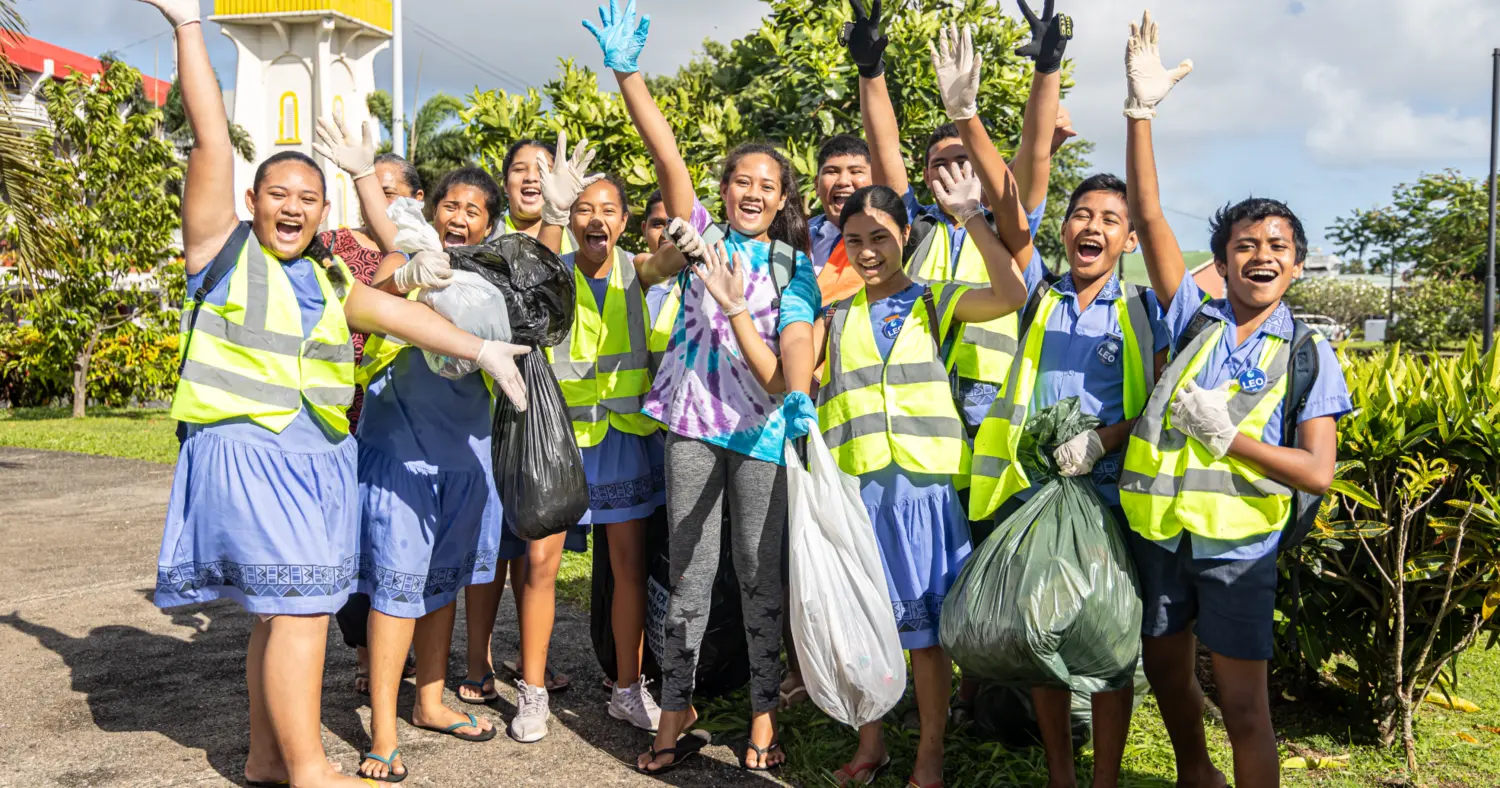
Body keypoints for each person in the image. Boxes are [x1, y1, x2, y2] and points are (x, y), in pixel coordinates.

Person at [138, 3, 531, 787]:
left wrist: (482, 347)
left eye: (306, 199)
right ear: (252, 201)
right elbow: (213, 139)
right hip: (248, 448)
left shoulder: (327, 273)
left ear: (325, 214)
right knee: (302, 613)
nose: (290, 207)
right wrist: (189, 27)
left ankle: (264, 758)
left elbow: (396, 313)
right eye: (277, 193)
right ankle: (312, 768)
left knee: (280, 614)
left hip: (314, 455)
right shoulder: (219, 247)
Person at [710, 172, 1026, 788]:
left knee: (927, 636)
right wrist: (737, 310)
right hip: (857, 499)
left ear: (905, 235)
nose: (868, 250)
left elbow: (1011, 293)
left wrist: (972, 218)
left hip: (923, 496)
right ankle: (873, 740)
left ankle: (929, 755)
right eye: (854, 239)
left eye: (880, 235)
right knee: (864, 622)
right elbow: (781, 380)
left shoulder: (938, 299)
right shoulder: (838, 312)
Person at [584, 0, 821, 774]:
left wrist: (732, 309)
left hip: (759, 438)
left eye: (768, 185)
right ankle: (675, 707)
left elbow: (784, 370)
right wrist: (628, 74)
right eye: (740, 181)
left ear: (784, 201)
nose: (752, 191)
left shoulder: (793, 269)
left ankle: (759, 718)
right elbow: (667, 155)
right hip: (690, 425)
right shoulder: (699, 237)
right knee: (686, 575)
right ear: (723, 191)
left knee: (758, 580)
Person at [1118, 13, 1348, 788]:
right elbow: (1148, 217)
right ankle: (1194, 774)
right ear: (1220, 262)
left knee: (1246, 708)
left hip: (1239, 553)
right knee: (1165, 677)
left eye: (1278, 246)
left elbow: (1316, 473)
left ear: (1298, 267)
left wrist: (1229, 439)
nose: (1261, 255)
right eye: (1245, 245)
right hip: (1160, 537)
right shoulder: (1194, 318)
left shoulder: (1310, 352)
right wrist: (1141, 114)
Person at [944, 13, 1169, 786]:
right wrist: (967, 119)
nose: (1092, 226)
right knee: (1038, 632)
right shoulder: (1039, 297)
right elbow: (1012, 205)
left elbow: (1166, 406)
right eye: (1082, 215)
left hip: (1111, 498)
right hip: (1033, 490)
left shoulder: (1141, 313)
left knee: (1106, 644)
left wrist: (1107, 441)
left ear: (1129, 240)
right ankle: (1062, 776)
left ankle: (1103, 777)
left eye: (1110, 220)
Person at [850, 0, 1073, 438]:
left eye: (965, 158)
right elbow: (884, 151)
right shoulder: (913, 227)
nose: (952, 168)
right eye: (940, 163)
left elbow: (1035, 148)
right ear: (926, 174)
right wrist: (870, 71)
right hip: (916, 401)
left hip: (997, 406)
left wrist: (1048, 67)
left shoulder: (1008, 221)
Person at [506, 171, 667, 738]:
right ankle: (532, 694)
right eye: (583, 210)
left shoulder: (639, 272)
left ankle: (628, 688)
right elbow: (532, 273)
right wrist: (551, 210)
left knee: (628, 570)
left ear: (625, 222)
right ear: (571, 220)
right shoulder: (556, 274)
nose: (596, 219)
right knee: (541, 567)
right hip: (560, 440)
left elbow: (665, 264)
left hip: (623, 438)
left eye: (608, 210)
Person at [320, 152, 423, 697]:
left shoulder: (427, 251)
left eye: (386, 191)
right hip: (340, 411)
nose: (372, 201)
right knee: (353, 540)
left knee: (397, 540)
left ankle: (405, 650)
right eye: (366, 188)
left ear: (414, 199)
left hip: (404, 415)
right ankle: (364, 652)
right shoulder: (333, 245)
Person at [488, 138, 578, 254]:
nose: (531, 177)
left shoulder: (580, 237)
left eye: (543, 170)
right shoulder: (484, 235)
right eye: (520, 169)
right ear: (505, 184)